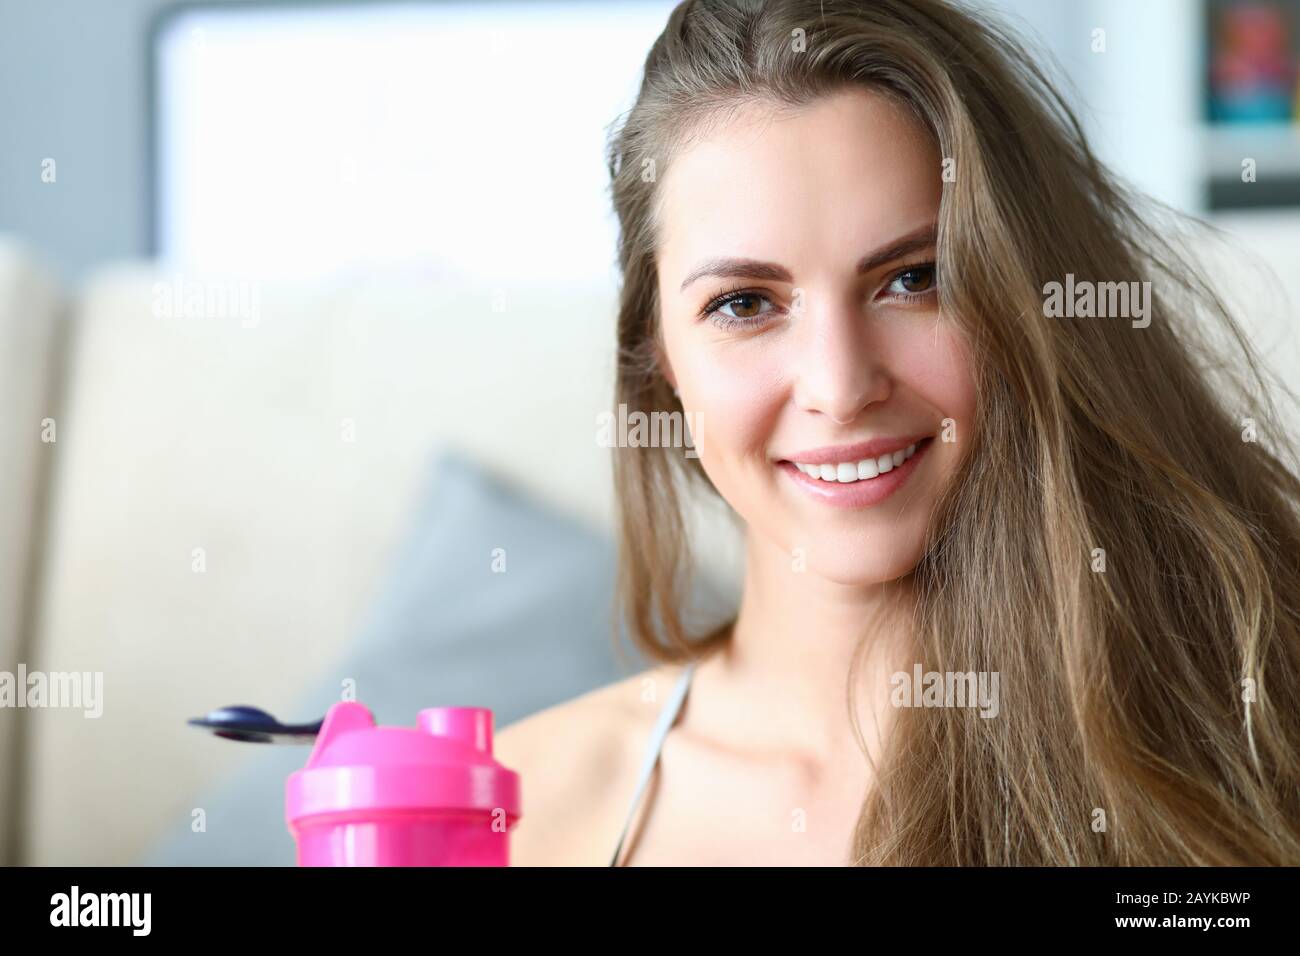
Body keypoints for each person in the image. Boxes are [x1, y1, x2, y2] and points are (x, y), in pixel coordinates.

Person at [495, 0, 1300, 866]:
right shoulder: (515, 807)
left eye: (915, 279)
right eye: (744, 304)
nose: (840, 388)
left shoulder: (1253, 720)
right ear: (660, 362)